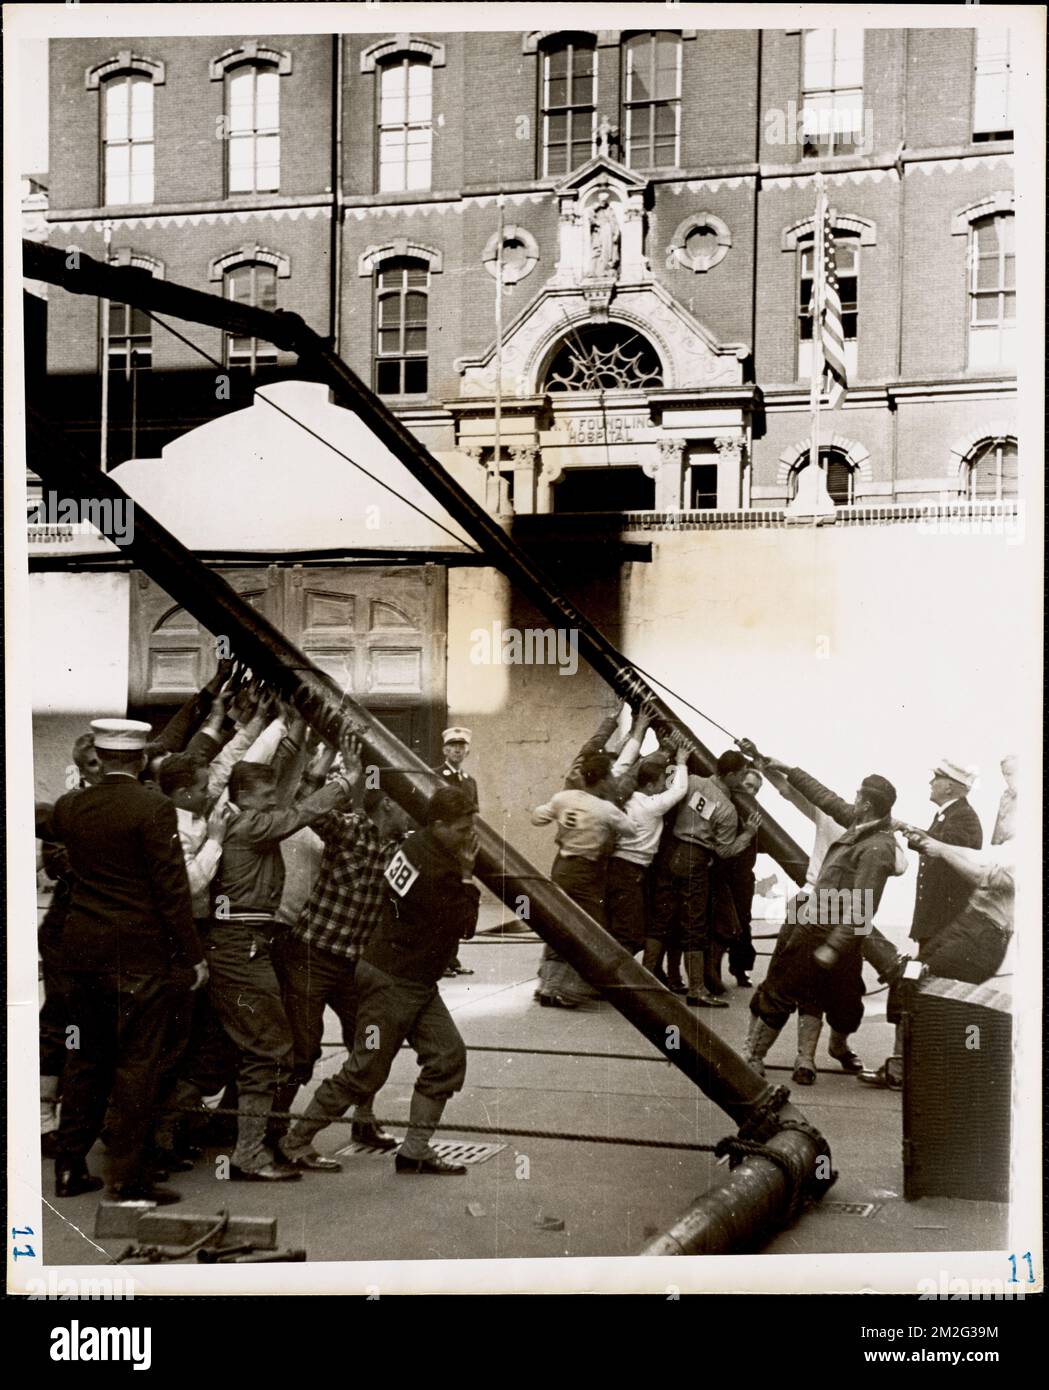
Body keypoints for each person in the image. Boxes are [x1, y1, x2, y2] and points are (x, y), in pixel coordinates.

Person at [40, 718, 208, 1204]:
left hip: (82, 953)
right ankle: (127, 1177)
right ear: (138, 758)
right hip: (138, 955)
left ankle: (70, 1165)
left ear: (102, 753)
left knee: (87, 1058)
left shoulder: (72, 807)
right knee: (138, 1063)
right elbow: (171, 889)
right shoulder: (154, 808)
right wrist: (192, 955)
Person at [280, 786, 481, 1176]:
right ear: (438, 825)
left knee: (446, 1057)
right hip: (395, 982)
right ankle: (296, 1141)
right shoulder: (438, 869)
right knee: (365, 1070)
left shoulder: (417, 846)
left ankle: (415, 1151)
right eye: (461, 828)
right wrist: (468, 877)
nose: (468, 835)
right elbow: (466, 924)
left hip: (410, 979)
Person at [206, 745, 356, 1180]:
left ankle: (172, 1138)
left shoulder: (243, 819)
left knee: (231, 1048)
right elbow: (299, 814)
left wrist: (318, 769)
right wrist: (346, 781)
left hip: (245, 941)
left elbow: (291, 808)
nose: (273, 799)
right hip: (242, 944)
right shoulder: (249, 824)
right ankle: (248, 1154)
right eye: (267, 792)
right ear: (244, 794)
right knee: (267, 1049)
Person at [276, 733, 407, 1160]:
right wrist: (337, 761)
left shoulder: (399, 852)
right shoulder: (353, 830)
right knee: (303, 1048)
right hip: (311, 955)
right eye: (407, 805)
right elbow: (307, 803)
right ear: (388, 805)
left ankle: (363, 1121)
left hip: (352, 965)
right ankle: (273, 1134)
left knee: (370, 1045)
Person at [746, 743, 908, 1082]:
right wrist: (785, 766)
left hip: (834, 934)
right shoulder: (861, 823)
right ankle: (754, 1058)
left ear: (866, 804)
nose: (851, 801)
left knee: (847, 1005)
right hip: (814, 924)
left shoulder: (877, 847)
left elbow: (862, 906)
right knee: (782, 991)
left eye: (857, 797)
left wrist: (834, 946)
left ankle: (836, 1046)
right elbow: (824, 796)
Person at [861, 762, 1012, 1090]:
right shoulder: (950, 817)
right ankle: (916, 1067)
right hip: (944, 930)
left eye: (937, 778)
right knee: (931, 995)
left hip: (954, 931)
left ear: (951, 786)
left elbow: (955, 851)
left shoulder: (965, 819)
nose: (931, 782)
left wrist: (919, 836)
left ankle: (913, 1069)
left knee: (933, 995)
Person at [645, 750, 761, 1009]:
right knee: (694, 925)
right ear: (730, 774)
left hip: (672, 852)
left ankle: (645, 979)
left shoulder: (693, 781)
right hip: (696, 860)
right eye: (742, 775)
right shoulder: (728, 810)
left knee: (660, 918)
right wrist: (748, 834)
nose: (743, 781)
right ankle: (696, 988)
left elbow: (667, 785)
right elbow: (724, 850)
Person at [37, 733, 104, 1152]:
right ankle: (45, 1119)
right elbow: (61, 866)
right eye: (94, 763)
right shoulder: (66, 812)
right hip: (66, 937)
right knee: (62, 1025)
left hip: (98, 938)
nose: (103, 768)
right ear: (81, 769)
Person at [531, 750, 633, 1007]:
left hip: (562, 866)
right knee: (589, 930)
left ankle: (547, 984)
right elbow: (631, 829)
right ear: (602, 779)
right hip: (587, 871)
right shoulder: (605, 809)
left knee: (558, 923)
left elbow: (536, 817)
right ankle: (567, 987)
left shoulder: (563, 799)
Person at [606, 744, 690, 956]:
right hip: (631, 869)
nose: (664, 787)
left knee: (621, 924)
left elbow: (669, 789)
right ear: (650, 786)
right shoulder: (651, 806)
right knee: (630, 932)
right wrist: (681, 761)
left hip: (618, 866)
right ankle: (619, 980)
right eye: (661, 783)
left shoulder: (629, 800)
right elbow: (678, 790)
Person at [435, 727, 478, 976]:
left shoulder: (469, 782)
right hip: (442, 848)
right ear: (444, 750)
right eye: (453, 745)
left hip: (460, 850)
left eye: (461, 746)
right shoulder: (435, 776)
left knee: (457, 899)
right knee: (441, 902)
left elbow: (473, 816)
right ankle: (440, 960)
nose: (457, 750)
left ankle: (452, 959)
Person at [723, 767, 764, 988]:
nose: (752, 792)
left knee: (742, 923)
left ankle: (740, 969)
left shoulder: (752, 812)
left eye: (756, 789)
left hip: (743, 877)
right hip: (725, 873)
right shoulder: (728, 806)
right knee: (720, 923)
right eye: (749, 786)